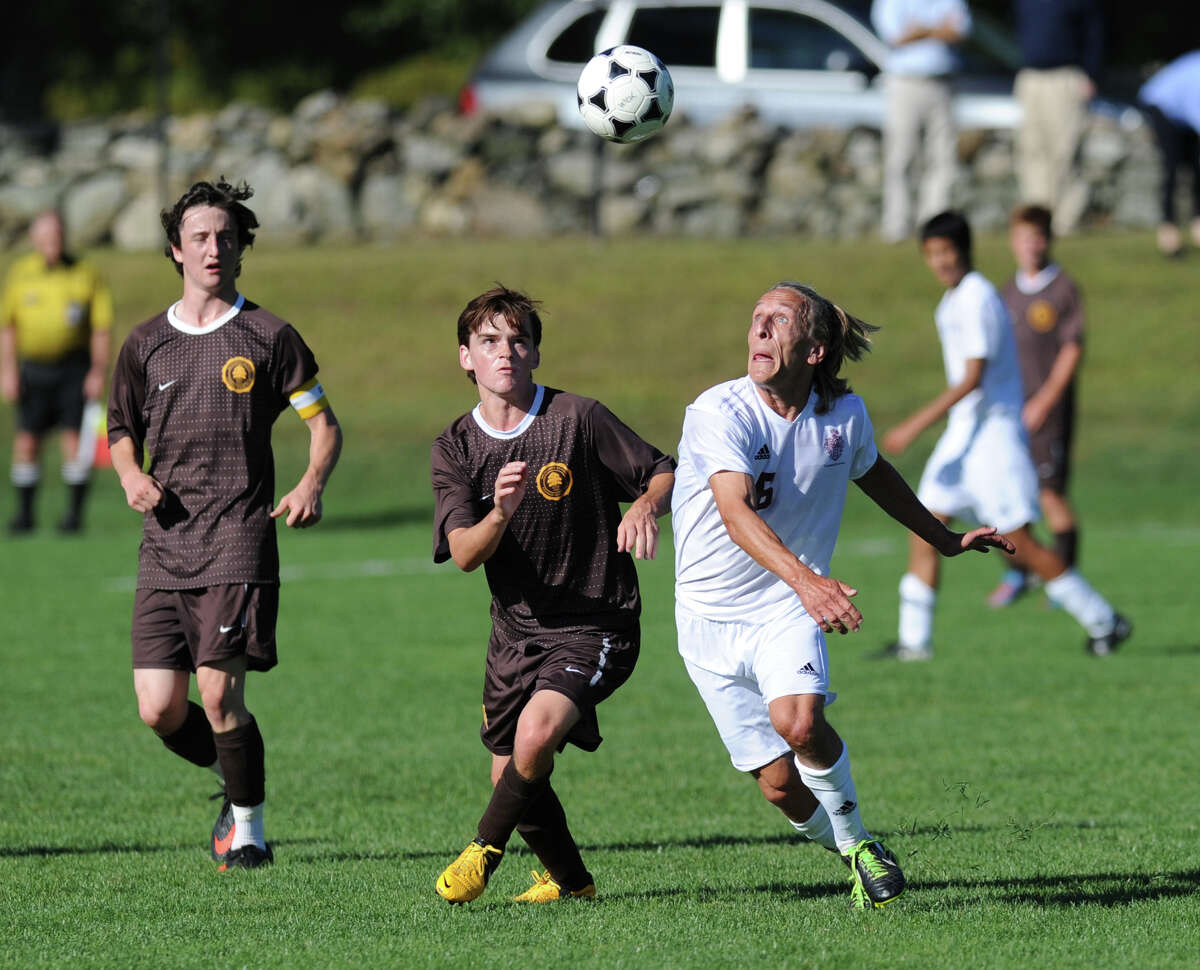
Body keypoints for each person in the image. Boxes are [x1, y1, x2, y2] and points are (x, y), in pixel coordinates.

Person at [671, 281, 1014, 910]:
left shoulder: (844, 417)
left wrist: (943, 539)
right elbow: (734, 511)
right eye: (756, 318)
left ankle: (859, 847)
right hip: (708, 619)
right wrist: (811, 581)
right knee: (778, 787)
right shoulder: (719, 412)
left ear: (815, 350)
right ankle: (854, 847)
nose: (760, 330)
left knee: (800, 723)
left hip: (782, 605)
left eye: (779, 320)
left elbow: (873, 470)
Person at [107, 179, 343, 871]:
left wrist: (310, 482)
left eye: (226, 237)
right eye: (200, 238)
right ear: (176, 250)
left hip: (238, 538)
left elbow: (323, 426)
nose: (214, 248)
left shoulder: (269, 337)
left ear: (242, 249)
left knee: (218, 692)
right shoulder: (146, 343)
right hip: (165, 543)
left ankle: (250, 834)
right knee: (159, 708)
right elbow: (121, 428)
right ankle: (232, 775)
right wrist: (129, 475)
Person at [431, 285, 674, 904]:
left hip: (597, 621)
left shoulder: (577, 419)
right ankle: (573, 884)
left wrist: (645, 503)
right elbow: (463, 552)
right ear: (466, 357)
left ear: (536, 353)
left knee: (534, 740)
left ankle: (482, 850)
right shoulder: (455, 447)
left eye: (518, 340)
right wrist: (500, 514)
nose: (505, 352)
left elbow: (664, 468)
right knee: (509, 772)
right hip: (514, 634)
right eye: (489, 342)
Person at [882, 210, 1130, 660]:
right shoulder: (951, 302)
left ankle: (1104, 620)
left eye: (946, 252)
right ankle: (913, 643)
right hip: (963, 437)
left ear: (964, 251)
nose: (939, 262)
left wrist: (913, 425)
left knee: (1022, 545)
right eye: (931, 254)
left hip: (993, 440)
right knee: (923, 528)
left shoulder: (977, 297)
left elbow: (973, 378)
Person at [988, 205, 1085, 608]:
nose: (1031, 245)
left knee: (1049, 494)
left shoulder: (1062, 289)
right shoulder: (1006, 292)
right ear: (1013, 242)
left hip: (1047, 412)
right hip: (1010, 411)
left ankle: (1065, 576)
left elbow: (1072, 348)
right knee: (1005, 492)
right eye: (1024, 237)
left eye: (1038, 237)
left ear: (1048, 239)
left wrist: (1045, 400)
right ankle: (1019, 573)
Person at [1, 210, 111, 533]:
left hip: (72, 369)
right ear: (35, 239)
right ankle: (24, 516)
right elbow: (8, 327)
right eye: (47, 237)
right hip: (33, 370)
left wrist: (98, 370)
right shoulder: (21, 274)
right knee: (27, 442)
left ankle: (73, 517)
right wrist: (8, 371)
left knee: (73, 441)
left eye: (58, 236)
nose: (53, 243)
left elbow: (101, 327)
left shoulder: (84, 273)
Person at [870, 0, 972, 243]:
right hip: (906, 82)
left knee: (943, 158)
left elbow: (961, 31)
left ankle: (935, 226)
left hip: (942, 82)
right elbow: (896, 37)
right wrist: (938, 30)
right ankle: (897, 225)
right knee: (902, 156)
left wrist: (921, 30)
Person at [1013, 0, 1105, 235]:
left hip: (1066, 76)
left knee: (1064, 153)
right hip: (1031, 76)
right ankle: (1037, 220)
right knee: (1032, 151)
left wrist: (1091, 74)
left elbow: (1096, 33)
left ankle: (1065, 222)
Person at [1137, 50, 1200, 257]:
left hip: (1183, 112)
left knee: (1196, 167)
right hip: (1162, 104)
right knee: (1171, 169)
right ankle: (1168, 232)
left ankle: (1197, 225)